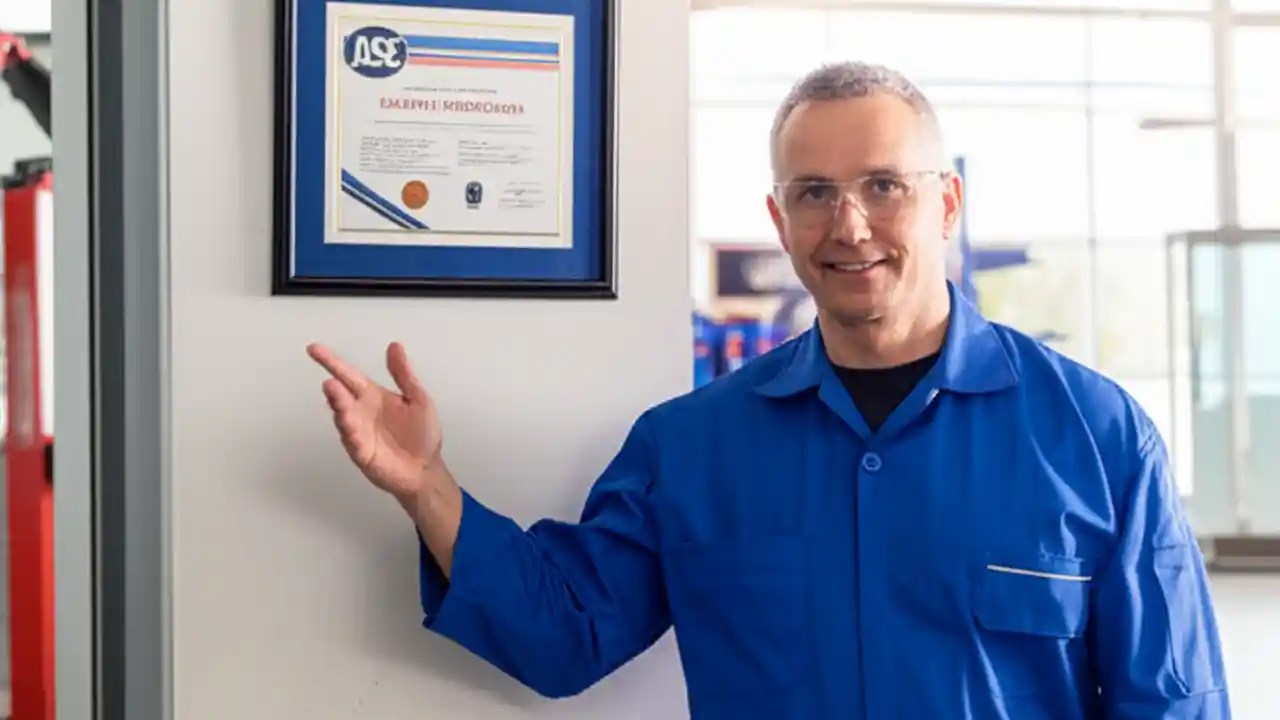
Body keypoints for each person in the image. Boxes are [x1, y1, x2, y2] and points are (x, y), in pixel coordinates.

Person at [307, 61, 1231, 718]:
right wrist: (427, 487)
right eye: (815, 192)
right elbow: (566, 637)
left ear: (945, 204)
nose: (850, 225)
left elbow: (1173, 702)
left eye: (884, 185)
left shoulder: (1096, 437)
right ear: (780, 220)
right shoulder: (689, 449)